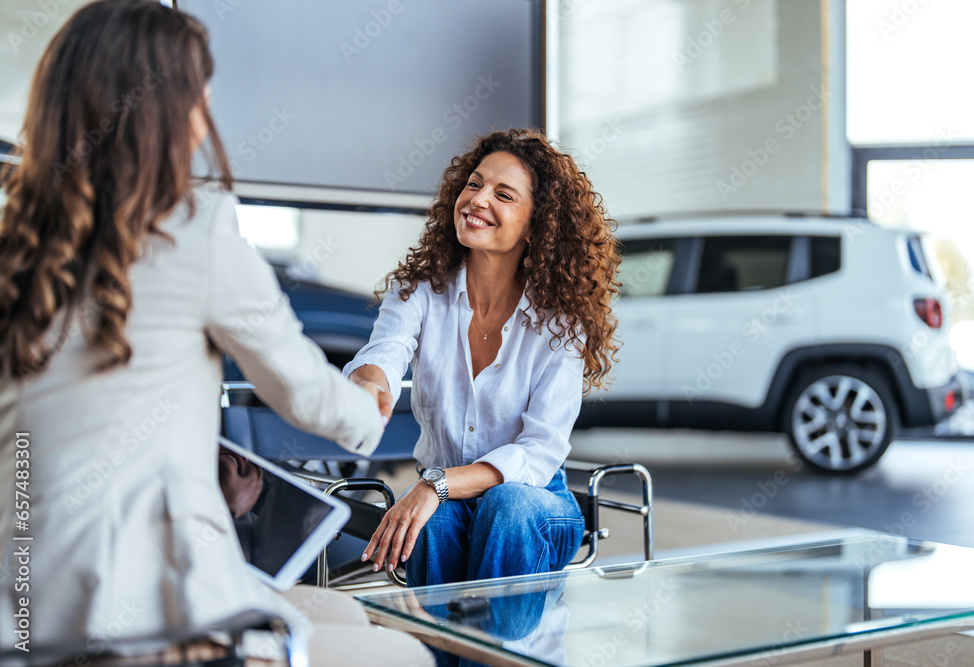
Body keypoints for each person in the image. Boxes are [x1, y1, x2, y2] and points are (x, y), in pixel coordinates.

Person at [0, 2, 431, 665]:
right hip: (135, 621)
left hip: (23, 605)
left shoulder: (18, 241)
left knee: (344, 610)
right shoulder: (191, 229)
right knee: (405, 655)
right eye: (200, 93)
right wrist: (369, 402)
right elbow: (310, 397)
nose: (206, 112)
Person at [345, 129, 621, 590]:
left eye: (503, 194)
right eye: (474, 184)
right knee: (431, 522)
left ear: (536, 226)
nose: (477, 199)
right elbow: (385, 352)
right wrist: (370, 384)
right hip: (446, 498)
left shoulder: (560, 322)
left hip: (535, 502)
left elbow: (539, 452)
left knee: (506, 506)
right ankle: (450, 638)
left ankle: (500, 639)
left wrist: (435, 484)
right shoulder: (419, 291)